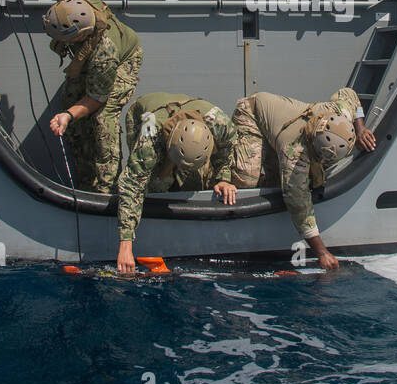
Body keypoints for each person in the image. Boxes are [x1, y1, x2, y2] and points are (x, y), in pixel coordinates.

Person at [0, 0, 142, 194]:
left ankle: (108, 187)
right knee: (70, 102)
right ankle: (84, 178)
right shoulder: (73, 0)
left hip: (124, 60)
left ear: (79, 38)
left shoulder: (105, 54)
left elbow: (95, 98)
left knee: (103, 119)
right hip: (90, 56)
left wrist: (69, 115)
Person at [230, 87, 375, 271]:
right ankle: (220, 171)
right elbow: (298, 204)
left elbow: (350, 94)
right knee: (246, 181)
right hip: (252, 112)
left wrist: (360, 128)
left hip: (279, 125)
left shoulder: (341, 113)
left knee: (274, 182)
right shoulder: (293, 152)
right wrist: (321, 252)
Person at [114, 93, 238, 274]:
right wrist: (125, 246)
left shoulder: (221, 125)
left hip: (187, 123)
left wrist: (223, 179)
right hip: (143, 114)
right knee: (152, 183)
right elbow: (132, 185)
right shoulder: (149, 138)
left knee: (194, 181)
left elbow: (228, 148)